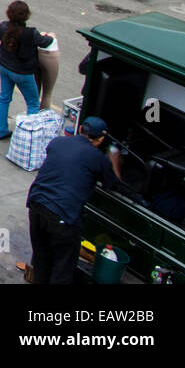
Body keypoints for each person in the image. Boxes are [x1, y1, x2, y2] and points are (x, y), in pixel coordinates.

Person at [25, 117, 122, 284]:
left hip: (36, 205)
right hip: (62, 215)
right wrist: (114, 159)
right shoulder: (98, 158)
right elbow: (114, 183)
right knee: (63, 266)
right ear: (100, 140)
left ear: (79, 130)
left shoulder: (57, 142)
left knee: (41, 258)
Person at [0, 0, 53, 140]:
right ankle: (30, 137)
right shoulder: (30, 33)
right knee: (33, 103)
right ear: (26, 16)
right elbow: (45, 42)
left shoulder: (3, 27)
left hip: (4, 66)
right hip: (22, 72)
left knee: (4, 98)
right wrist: (50, 36)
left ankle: (1, 130)